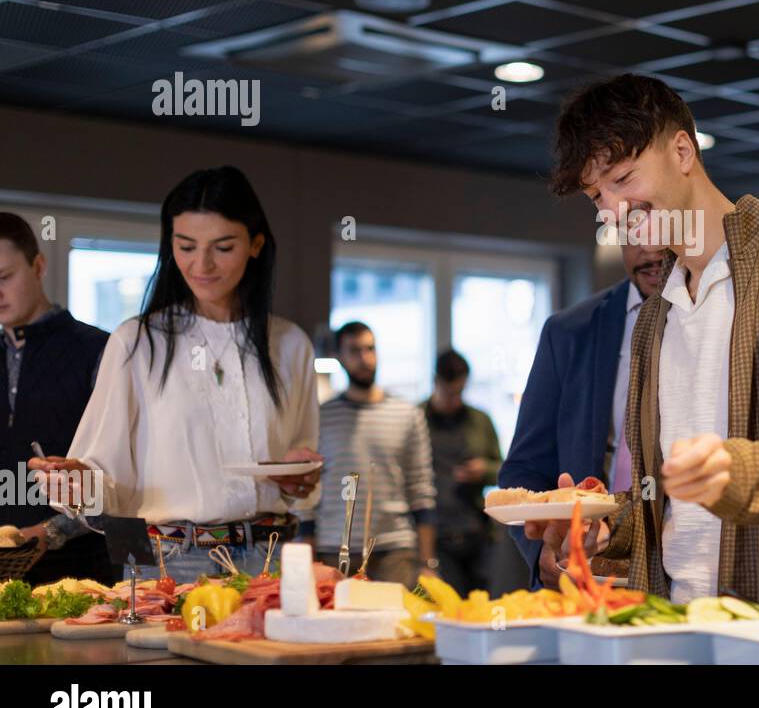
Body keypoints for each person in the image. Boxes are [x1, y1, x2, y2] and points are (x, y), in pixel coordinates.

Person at [525, 73, 759, 610]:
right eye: (596, 197)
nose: (612, 211)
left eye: (624, 178)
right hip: (679, 621)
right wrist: (605, 527)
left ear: (682, 150)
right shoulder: (656, 315)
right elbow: (667, 498)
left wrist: (732, 469)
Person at [29, 166, 323, 582]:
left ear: (255, 244)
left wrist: (301, 477)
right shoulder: (137, 342)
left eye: (222, 247)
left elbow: (301, 471)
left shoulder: (291, 345)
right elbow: (107, 480)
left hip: (271, 558)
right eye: (185, 246)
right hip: (171, 559)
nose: (201, 264)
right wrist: (78, 480)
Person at [500, 241, 666, 588]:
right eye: (635, 232)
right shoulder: (570, 330)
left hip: (686, 565)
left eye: (666, 230)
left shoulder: (724, 318)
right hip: (583, 570)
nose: (651, 252)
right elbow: (525, 468)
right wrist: (545, 553)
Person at [0, 213, 115, 585]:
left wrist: (50, 531)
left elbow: (118, 472)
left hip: (80, 572)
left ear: (38, 265)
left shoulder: (99, 350)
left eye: (4, 278)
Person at [305, 322, 435, 588]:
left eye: (370, 348)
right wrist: (306, 558)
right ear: (340, 356)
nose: (365, 358)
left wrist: (427, 562)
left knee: (397, 626)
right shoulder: (320, 416)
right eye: (354, 350)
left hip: (395, 548)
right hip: (334, 547)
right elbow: (308, 493)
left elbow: (422, 490)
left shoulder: (407, 414)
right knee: (336, 627)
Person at [423, 350, 502, 596]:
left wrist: (484, 470)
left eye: (460, 392)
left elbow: (504, 469)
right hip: (435, 536)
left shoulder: (479, 420)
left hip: (476, 533)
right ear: (436, 382)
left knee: (481, 607)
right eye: (450, 392)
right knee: (446, 610)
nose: (455, 399)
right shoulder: (417, 420)